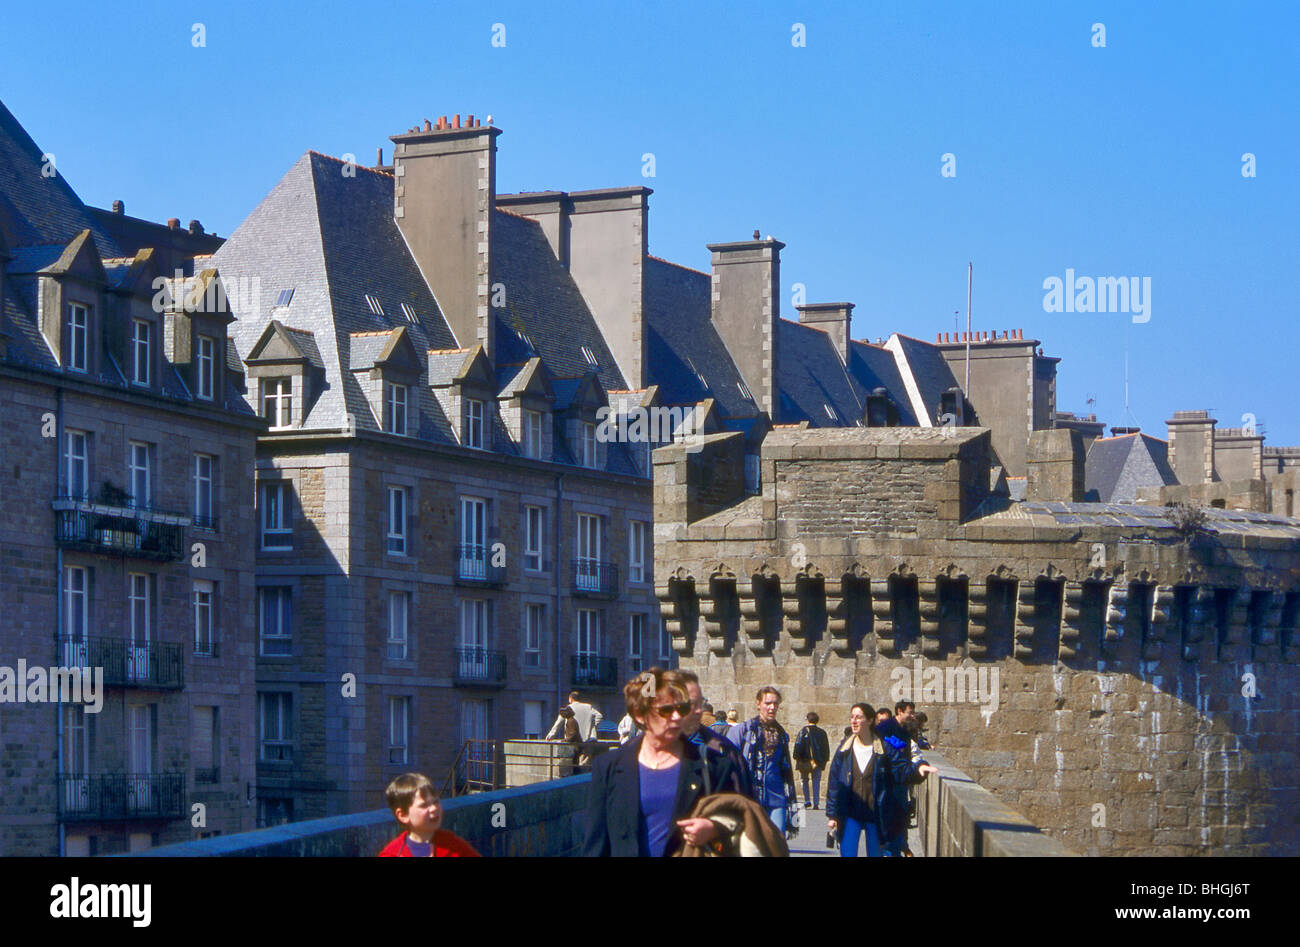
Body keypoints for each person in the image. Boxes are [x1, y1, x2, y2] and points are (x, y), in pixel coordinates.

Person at [583, 668, 738, 857]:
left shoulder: (713, 765)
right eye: (666, 710)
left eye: (681, 709)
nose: (676, 717)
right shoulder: (609, 766)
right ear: (640, 714)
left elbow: (738, 819)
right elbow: (596, 842)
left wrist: (714, 828)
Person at [825, 705, 936, 857]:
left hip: (876, 813)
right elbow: (834, 782)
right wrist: (832, 814)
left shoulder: (883, 748)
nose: (854, 721)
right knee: (847, 853)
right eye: (852, 717)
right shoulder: (844, 749)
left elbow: (900, 768)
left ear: (870, 720)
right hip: (850, 812)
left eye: (858, 717)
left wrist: (918, 770)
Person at [728, 686, 798, 834]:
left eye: (775, 703)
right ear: (758, 704)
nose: (772, 707)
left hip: (777, 798)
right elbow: (728, 763)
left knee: (777, 845)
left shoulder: (782, 734)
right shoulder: (743, 731)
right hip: (750, 798)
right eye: (768, 703)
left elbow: (783, 769)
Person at [678, 671, 751, 797]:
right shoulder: (640, 753)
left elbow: (742, 801)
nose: (699, 710)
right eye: (691, 704)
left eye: (700, 703)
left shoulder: (723, 750)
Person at [378, 772, 480, 857]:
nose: (434, 808)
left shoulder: (455, 847)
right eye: (424, 805)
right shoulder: (392, 853)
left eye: (436, 802)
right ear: (403, 815)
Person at [792, 712, 831, 809]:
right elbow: (826, 748)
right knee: (816, 781)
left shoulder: (803, 731)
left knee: (804, 780)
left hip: (804, 761)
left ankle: (807, 800)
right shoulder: (822, 732)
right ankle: (816, 803)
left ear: (807, 720)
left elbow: (798, 746)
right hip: (817, 762)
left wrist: (796, 757)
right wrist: (824, 760)